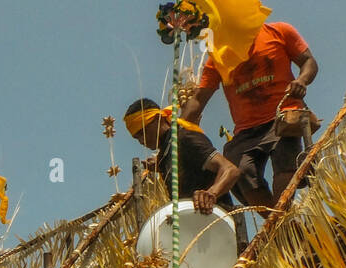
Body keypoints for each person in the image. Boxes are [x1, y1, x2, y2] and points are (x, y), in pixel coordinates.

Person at [181, 21, 319, 208]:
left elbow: (308, 61)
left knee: (285, 162)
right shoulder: (218, 55)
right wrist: (175, 135)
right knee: (241, 172)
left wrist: (302, 81)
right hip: (246, 131)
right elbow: (198, 99)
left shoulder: (279, 31)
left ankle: (279, 220)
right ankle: (278, 223)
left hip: (283, 115)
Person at [123, 98, 240, 213]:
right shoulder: (166, 152)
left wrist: (211, 193)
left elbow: (230, 170)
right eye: (137, 137)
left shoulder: (184, 138)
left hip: (216, 220)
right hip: (194, 224)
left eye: (143, 132)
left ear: (158, 119)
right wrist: (160, 165)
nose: (141, 141)